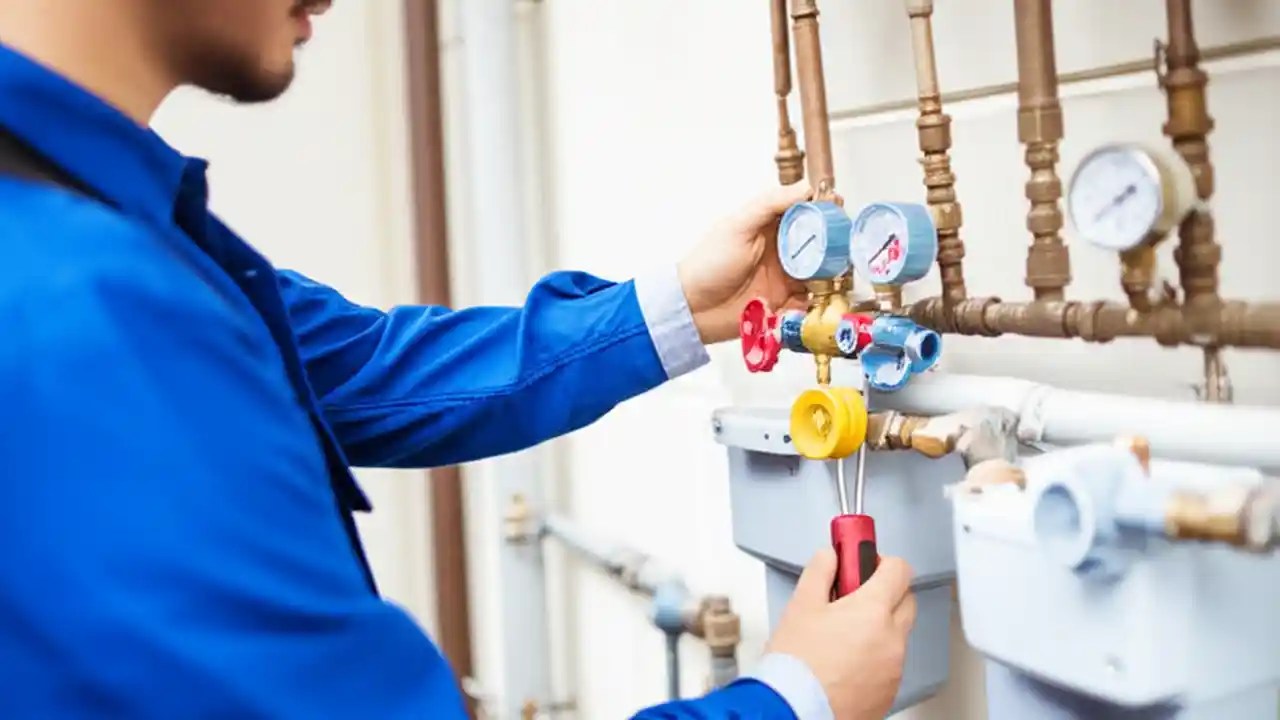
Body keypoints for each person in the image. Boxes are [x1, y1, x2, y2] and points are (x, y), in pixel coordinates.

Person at [0, 1, 916, 718]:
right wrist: (794, 701)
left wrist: (679, 304)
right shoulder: (81, 310)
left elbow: (372, 371)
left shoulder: (110, 224)